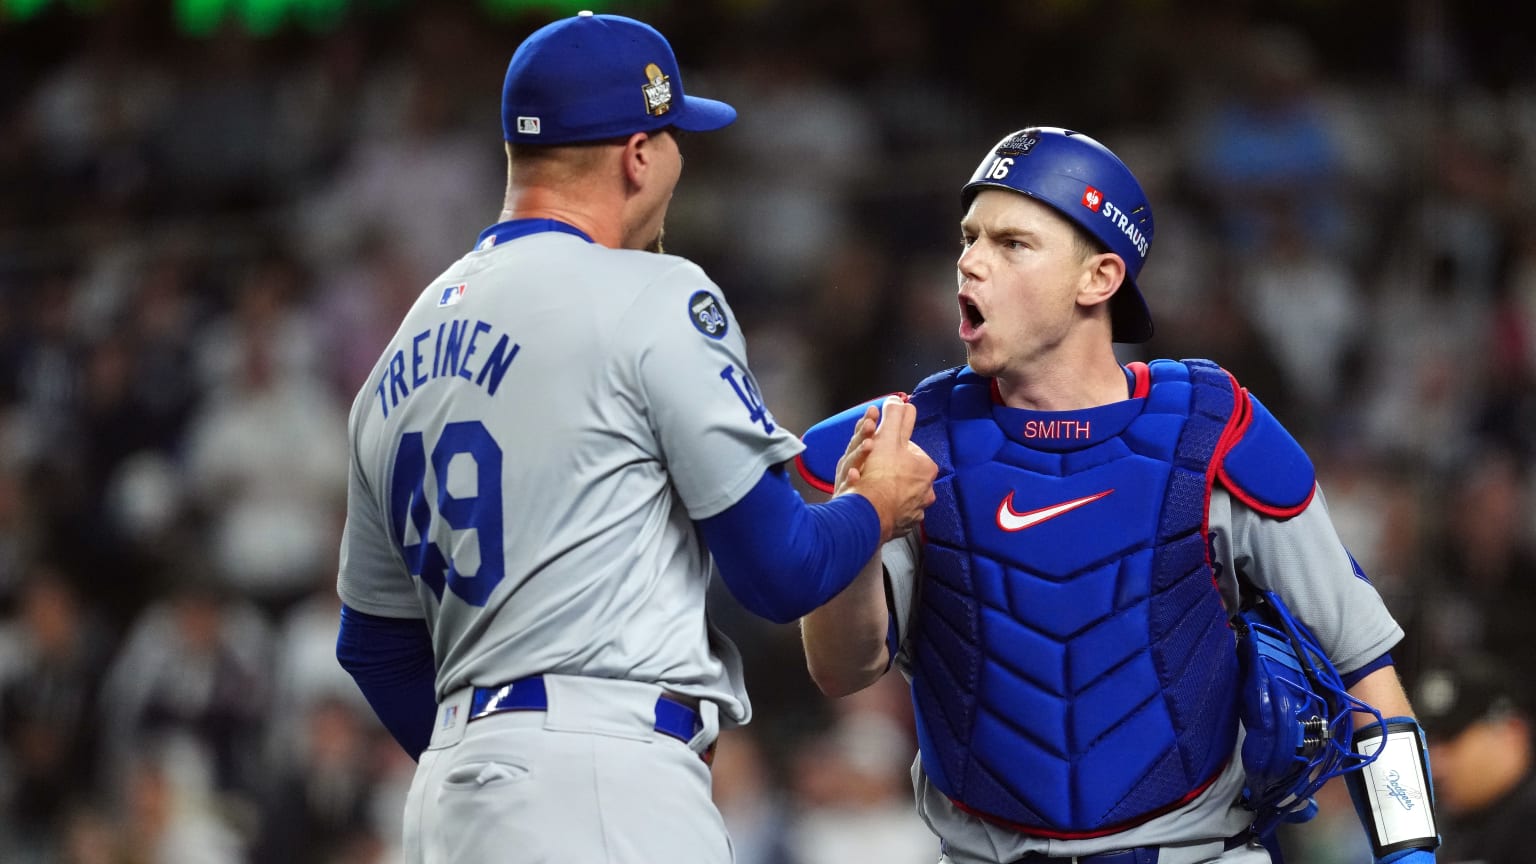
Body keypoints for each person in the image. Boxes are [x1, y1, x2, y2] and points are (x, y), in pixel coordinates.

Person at [332, 12, 936, 864]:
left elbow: (371, 644)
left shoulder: (402, 348)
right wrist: (876, 506)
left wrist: (493, 761)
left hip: (450, 800)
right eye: (675, 138)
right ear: (638, 154)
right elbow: (779, 571)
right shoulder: (650, 294)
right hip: (602, 781)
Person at [796, 126, 1439, 864]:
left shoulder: (1211, 430)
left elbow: (1368, 678)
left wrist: (1412, 858)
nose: (969, 263)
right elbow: (841, 670)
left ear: (1099, 278)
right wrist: (858, 519)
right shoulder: (912, 443)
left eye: (1012, 244)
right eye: (969, 238)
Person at [1412, 656, 1535, 864]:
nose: (1434, 766)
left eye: (1450, 740)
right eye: (1427, 745)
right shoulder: (1456, 827)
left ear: (1511, 732)